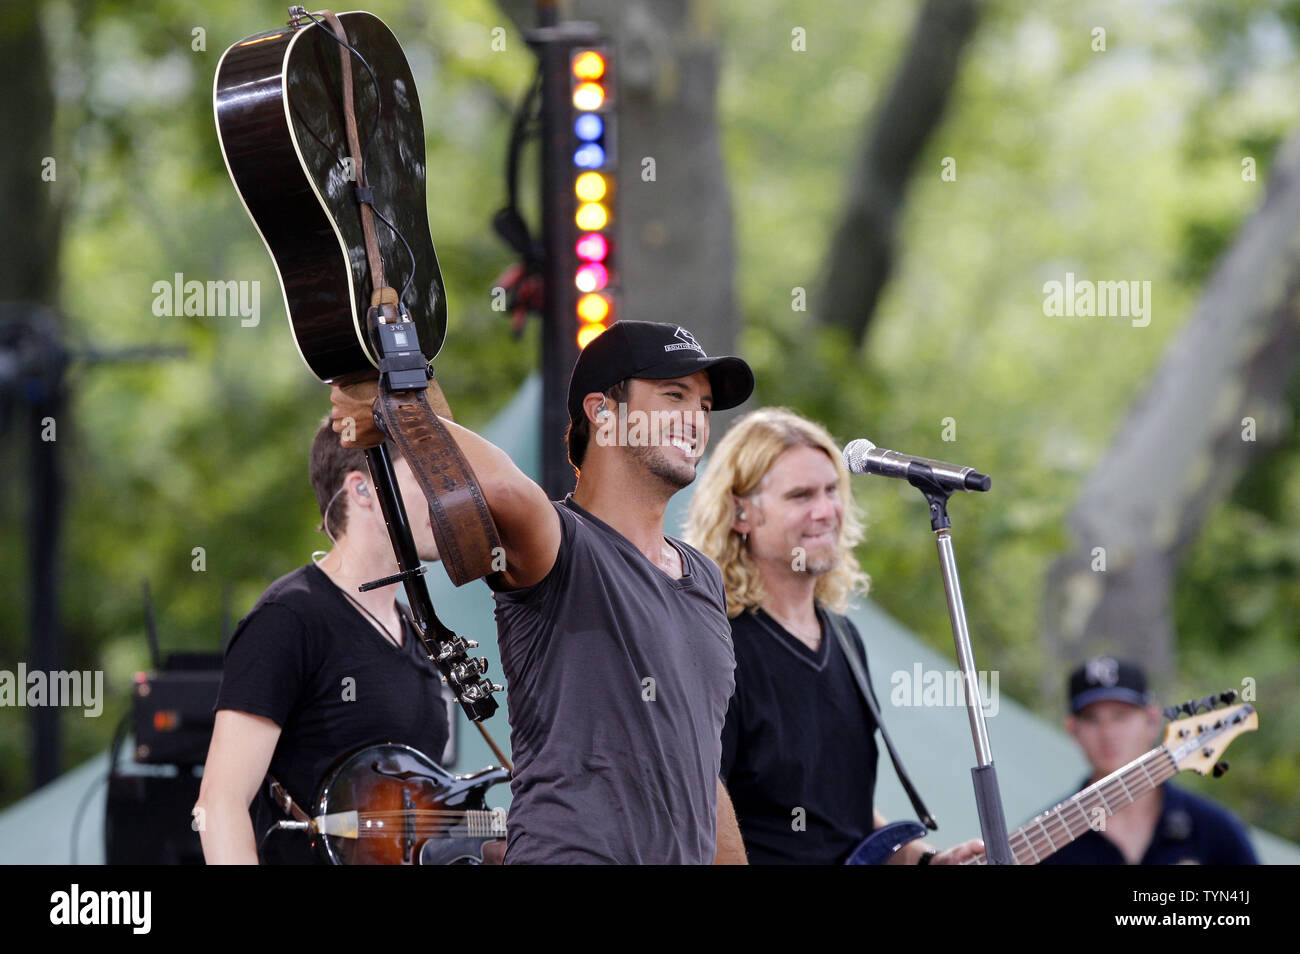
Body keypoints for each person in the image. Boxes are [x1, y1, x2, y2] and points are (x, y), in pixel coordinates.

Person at [330, 320, 755, 864]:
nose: (695, 419)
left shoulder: (704, 577)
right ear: (603, 412)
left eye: (703, 405)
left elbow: (697, 758)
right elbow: (503, 489)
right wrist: (401, 411)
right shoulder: (558, 541)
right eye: (673, 395)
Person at [685, 407, 984, 865]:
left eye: (831, 490)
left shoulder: (845, 638)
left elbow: (841, 817)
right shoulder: (716, 645)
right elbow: (696, 810)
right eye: (802, 495)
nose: (825, 511)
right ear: (741, 513)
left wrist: (924, 860)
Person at [195, 419, 454, 864]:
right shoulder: (289, 619)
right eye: (423, 476)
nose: (444, 494)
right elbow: (219, 805)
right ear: (363, 490)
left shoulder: (419, 632)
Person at [1038, 656, 1258, 865]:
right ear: (1072, 730)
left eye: (1120, 716)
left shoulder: (1214, 831)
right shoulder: (1044, 840)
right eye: (1091, 719)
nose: (1108, 733)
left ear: (1152, 720)